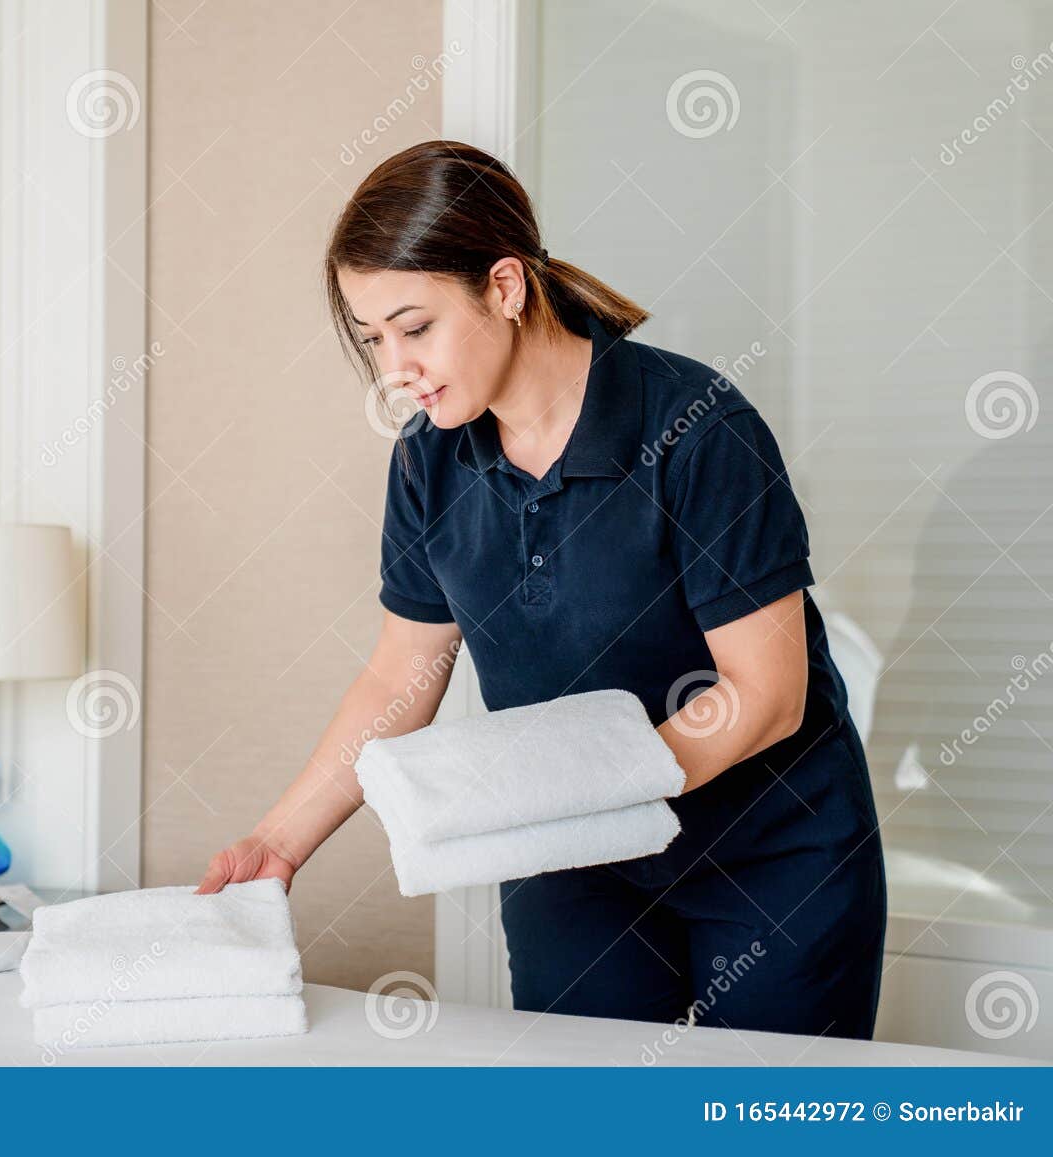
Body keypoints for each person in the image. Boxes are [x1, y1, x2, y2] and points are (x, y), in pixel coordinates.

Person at [196, 140, 886, 1040]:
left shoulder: (697, 428)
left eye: (415, 327)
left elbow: (767, 695)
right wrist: (280, 842)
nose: (392, 369)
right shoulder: (429, 461)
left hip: (772, 857)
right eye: (374, 340)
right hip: (573, 860)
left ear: (506, 287)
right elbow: (400, 674)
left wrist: (573, 787)